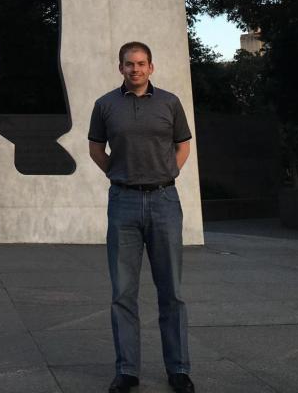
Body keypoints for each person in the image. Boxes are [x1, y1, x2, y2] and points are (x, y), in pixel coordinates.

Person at [88, 41, 195, 393]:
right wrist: (118, 174)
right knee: (123, 292)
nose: (135, 69)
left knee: (172, 292)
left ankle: (178, 369)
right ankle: (127, 371)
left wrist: (169, 173)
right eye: (129, 64)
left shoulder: (169, 103)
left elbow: (183, 145)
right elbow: (95, 148)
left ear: (151, 67)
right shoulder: (105, 105)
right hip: (124, 203)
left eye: (141, 63)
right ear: (120, 68)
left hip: (164, 200)